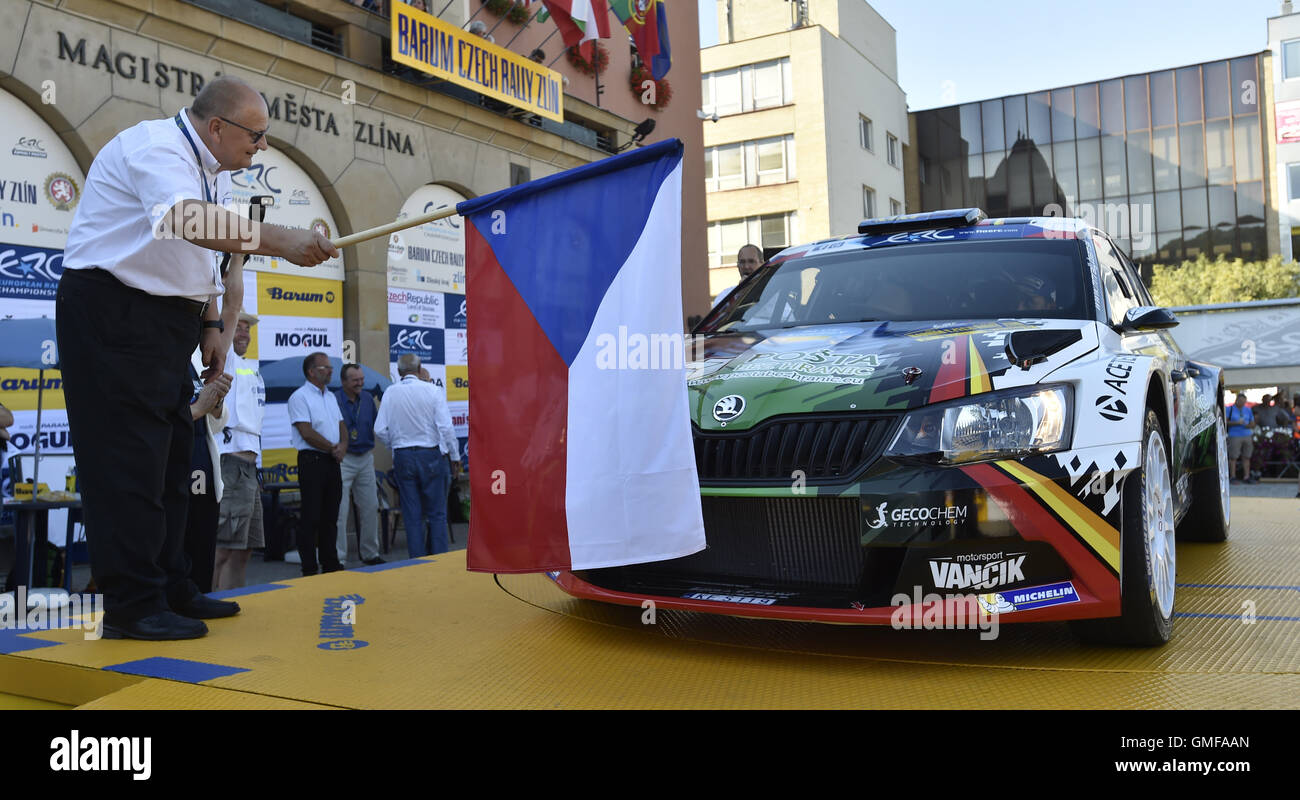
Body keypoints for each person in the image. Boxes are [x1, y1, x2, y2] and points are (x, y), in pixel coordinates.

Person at [56, 75, 338, 640]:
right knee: (130, 464)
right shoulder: (155, 146)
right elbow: (183, 221)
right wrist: (278, 239)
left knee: (173, 461)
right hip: (114, 311)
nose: (262, 147)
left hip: (166, 321)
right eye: (256, 136)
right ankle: (132, 605)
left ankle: (170, 584)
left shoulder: (211, 174)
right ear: (217, 126)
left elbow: (203, 255)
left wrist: (210, 323)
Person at [374, 354, 461, 557]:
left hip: (403, 456)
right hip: (429, 455)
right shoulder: (432, 390)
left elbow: (379, 430)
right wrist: (455, 456)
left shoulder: (390, 392)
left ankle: (417, 563)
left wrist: (395, 446)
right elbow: (446, 428)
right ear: (420, 369)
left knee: (412, 515)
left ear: (399, 371)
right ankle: (440, 560)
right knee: (437, 513)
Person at [213, 310, 266, 590]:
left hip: (250, 468)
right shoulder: (225, 361)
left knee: (244, 549)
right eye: (239, 327)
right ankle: (212, 603)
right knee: (222, 549)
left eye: (248, 329)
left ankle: (236, 602)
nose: (244, 332)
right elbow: (228, 315)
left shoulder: (252, 368)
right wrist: (234, 264)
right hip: (230, 465)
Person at [288, 352, 347, 575]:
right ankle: (309, 567)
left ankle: (330, 562)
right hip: (312, 460)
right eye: (325, 368)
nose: (330, 371)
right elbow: (306, 431)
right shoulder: (299, 397)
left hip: (332, 460)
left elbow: (341, 424)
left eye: (330, 367)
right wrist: (334, 448)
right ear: (311, 372)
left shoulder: (330, 396)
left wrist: (343, 444)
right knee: (311, 516)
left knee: (331, 514)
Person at [185, 355, 231, 594]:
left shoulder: (191, 365)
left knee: (202, 552)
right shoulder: (154, 361)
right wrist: (197, 409)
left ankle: (200, 598)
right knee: (177, 555)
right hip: (174, 475)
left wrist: (217, 401)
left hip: (205, 471)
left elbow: (214, 424)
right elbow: (153, 420)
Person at [335, 363, 385, 566]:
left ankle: (370, 553)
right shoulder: (334, 399)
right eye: (355, 380)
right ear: (344, 381)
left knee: (370, 506)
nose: (360, 383)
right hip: (344, 459)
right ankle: (339, 557)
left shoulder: (367, 398)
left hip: (365, 457)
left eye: (362, 379)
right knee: (340, 509)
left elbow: (375, 424)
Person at [1226, 394, 1256, 484]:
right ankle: (1233, 476)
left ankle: (1246, 476)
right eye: (1241, 401)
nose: (1242, 403)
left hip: (1247, 434)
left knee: (1246, 456)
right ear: (1236, 400)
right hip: (1234, 435)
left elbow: (1252, 423)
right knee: (1233, 457)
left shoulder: (1248, 409)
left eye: (1244, 402)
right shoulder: (1229, 409)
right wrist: (1236, 423)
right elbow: (1225, 422)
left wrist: (1249, 425)